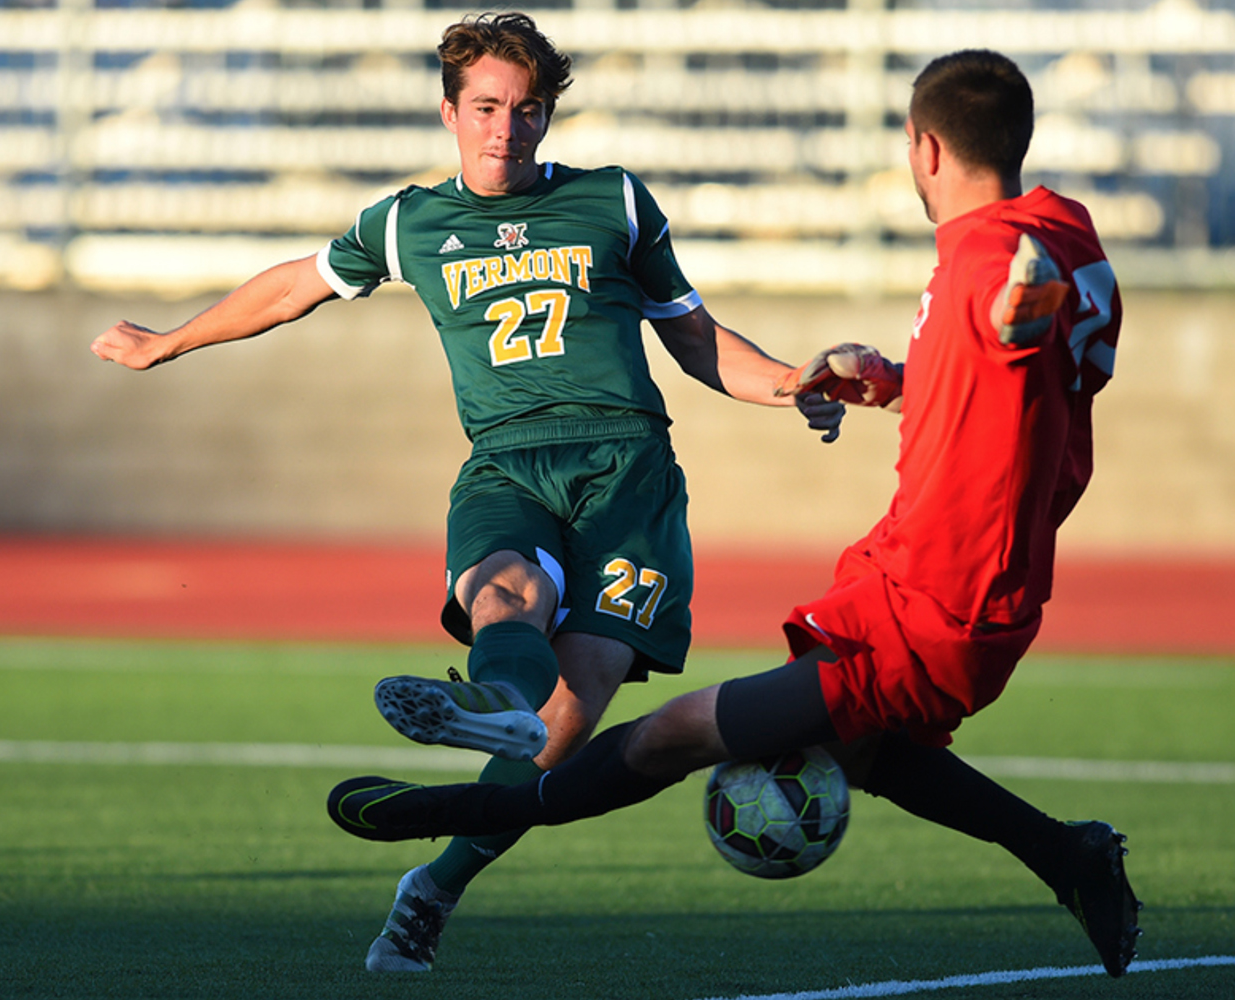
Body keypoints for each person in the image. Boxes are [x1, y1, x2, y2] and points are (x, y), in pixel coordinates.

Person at [326, 49, 1142, 978]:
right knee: (864, 750)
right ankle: (1068, 856)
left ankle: (447, 818)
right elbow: (1009, 371)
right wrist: (893, 381)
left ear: (922, 148)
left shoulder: (996, 257)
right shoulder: (1061, 227)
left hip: (943, 594)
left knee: (676, 733)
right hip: (938, 577)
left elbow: (1012, 324)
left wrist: (1009, 320)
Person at [91, 10, 845, 975]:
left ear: (546, 118)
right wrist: (166, 342)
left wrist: (791, 383)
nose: (506, 129)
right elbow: (293, 285)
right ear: (450, 111)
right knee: (505, 595)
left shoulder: (613, 202)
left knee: (569, 721)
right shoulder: (409, 221)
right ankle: (494, 700)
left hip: (629, 472)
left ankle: (435, 883)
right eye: (486, 107)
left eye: (526, 111)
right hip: (507, 463)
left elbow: (693, 336)